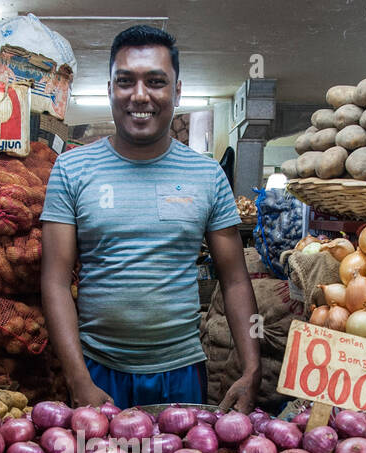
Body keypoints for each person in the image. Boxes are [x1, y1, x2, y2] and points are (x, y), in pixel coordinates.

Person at [40, 25, 261, 411]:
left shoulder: (207, 175)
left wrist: (252, 368)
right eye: (125, 81)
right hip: (97, 370)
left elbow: (236, 280)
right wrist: (77, 380)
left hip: (181, 371)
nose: (139, 95)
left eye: (155, 81)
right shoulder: (71, 169)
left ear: (176, 90)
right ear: (109, 87)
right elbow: (55, 281)